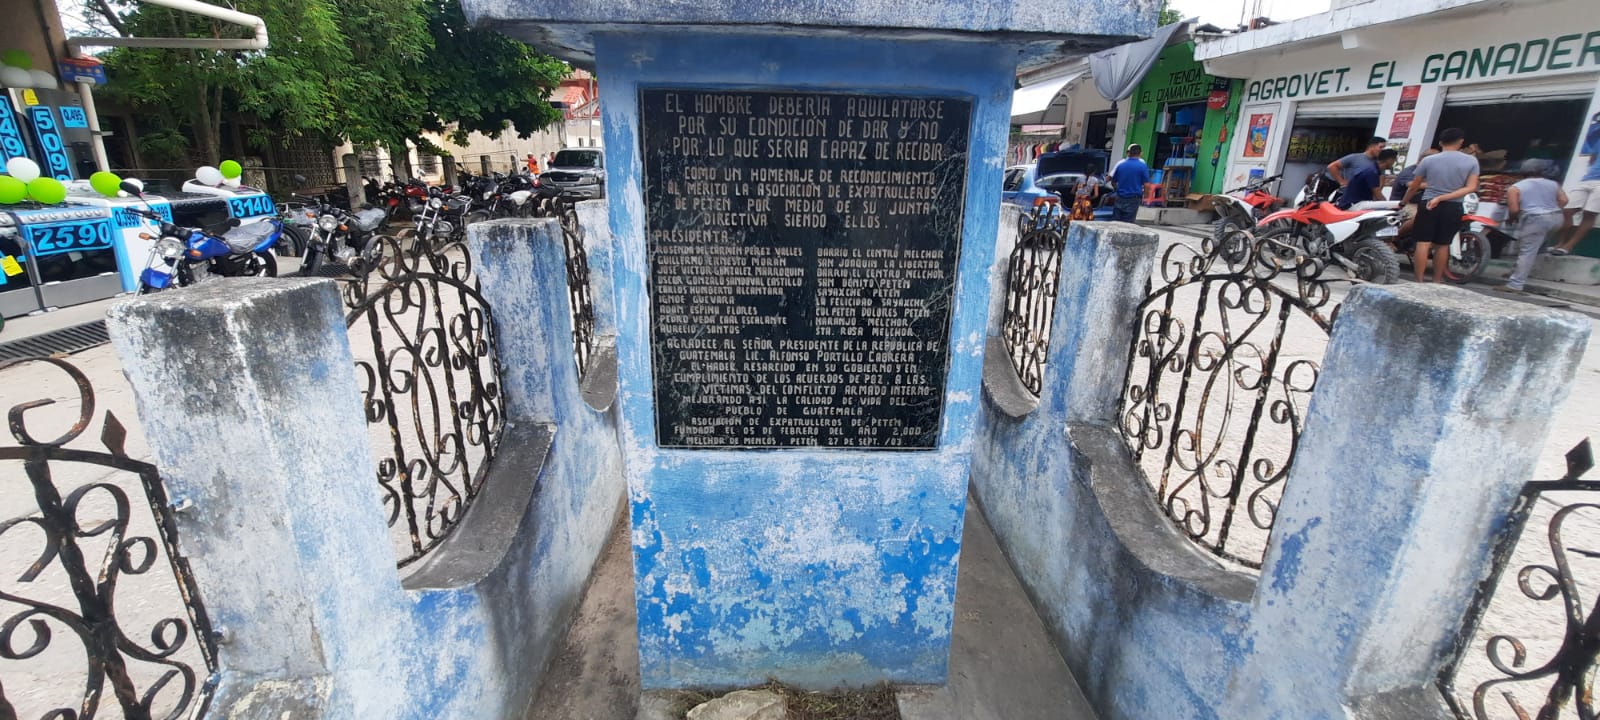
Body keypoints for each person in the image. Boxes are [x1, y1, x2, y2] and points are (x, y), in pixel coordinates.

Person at [1402, 128, 1479, 283]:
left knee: (1423, 243)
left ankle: (1419, 281)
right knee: (1443, 244)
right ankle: (1437, 281)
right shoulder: (1471, 161)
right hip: (1453, 206)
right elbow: (1471, 187)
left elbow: (1414, 186)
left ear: (1440, 142)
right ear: (1461, 142)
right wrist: (1445, 197)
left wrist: (1404, 201)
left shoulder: (1428, 160)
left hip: (1428, 204)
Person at [1497, 160, 1569, 294]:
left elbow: (1514, 209)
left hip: (1536, 219)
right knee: (1538, 246)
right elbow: (1564, 200)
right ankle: (1517, 272)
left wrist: (1512, 218)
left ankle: (1515, 284)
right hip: (1557, 218)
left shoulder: (1515, 187)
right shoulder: (1553, 184)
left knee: (1527, 251)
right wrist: (1550, 209)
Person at [1554, 112, 1600, 255]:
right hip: (1588, 179)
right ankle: (1561, 242)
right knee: (1567, 210)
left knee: (1589, 214)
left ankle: (1568, 246)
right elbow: (1592, 158)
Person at [1316, 136, 1386, 199]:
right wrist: (1341, 181)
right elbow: (1332, 166)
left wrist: (1376, 196)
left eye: (1384, 148)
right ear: (1371, 146)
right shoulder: (1354, 157)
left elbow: (1381, 181)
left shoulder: (1379, 163)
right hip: (1346, 196)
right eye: (1381, 147)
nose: (1382, 150)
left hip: (1364, 198)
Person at [1109, 145, 1151, 223]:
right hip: (1133, 199)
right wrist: (1145, 197)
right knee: (1127, 224)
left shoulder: (1121, 165)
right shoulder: (1142, 166)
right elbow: (1147, 185)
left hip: (1120, 197)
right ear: (1141, 153)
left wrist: (1118, 190)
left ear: (1129, 153)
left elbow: (1113, 182)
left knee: (1115, 222)